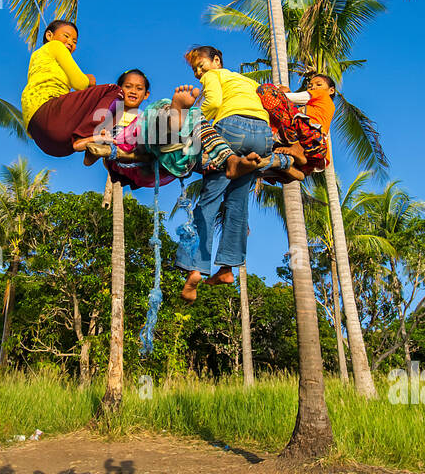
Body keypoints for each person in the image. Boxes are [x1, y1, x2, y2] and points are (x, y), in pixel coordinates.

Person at [175, 46, 273, 303]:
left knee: (209, 202)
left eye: (200, 65)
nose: (198, 72)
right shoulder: (247, 80)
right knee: (238, 205)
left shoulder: (213, 77)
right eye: (195, 69)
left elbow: (215, 102)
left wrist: (193, 122)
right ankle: (228, 269)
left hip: (231, 130)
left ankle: (196, 268)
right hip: (263, 136)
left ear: (216, 60)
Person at [90, 69, 261, 189]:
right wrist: (99, 137)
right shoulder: (111, 114)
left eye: (139, 88)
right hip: (130, 156)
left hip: (162, 155)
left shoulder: (143, 117)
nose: (133, 91)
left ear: (146, 94)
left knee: (193, 116)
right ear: (119, 89)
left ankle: (230, 160)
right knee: (158, 110)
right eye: (128, 87)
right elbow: (88, 155)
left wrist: (203, 162)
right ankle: (174, 113)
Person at [22, 20, 124, 157]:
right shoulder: (55, 46)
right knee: (114, 91)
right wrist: (90, 80)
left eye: (75, 41)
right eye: (66, 36)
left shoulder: (39, 60)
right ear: (49, 36)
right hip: (49, 116)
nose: (70, 42)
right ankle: (94, 133)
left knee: (92, 106)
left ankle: (90, 141)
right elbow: (81, 83)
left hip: (46, 141)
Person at [258, 73, 336, 182]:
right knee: (291, 169)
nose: (313, 87)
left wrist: (280, 92)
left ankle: (297, 148)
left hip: (310, 139)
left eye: (319, 85)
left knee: (265, 89)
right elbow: (293, 108)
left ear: (331, 90)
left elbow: (288, 99)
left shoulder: (321, 95)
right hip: (315, 153)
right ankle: (292, 169)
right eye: (310, 86)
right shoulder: (313, 106)